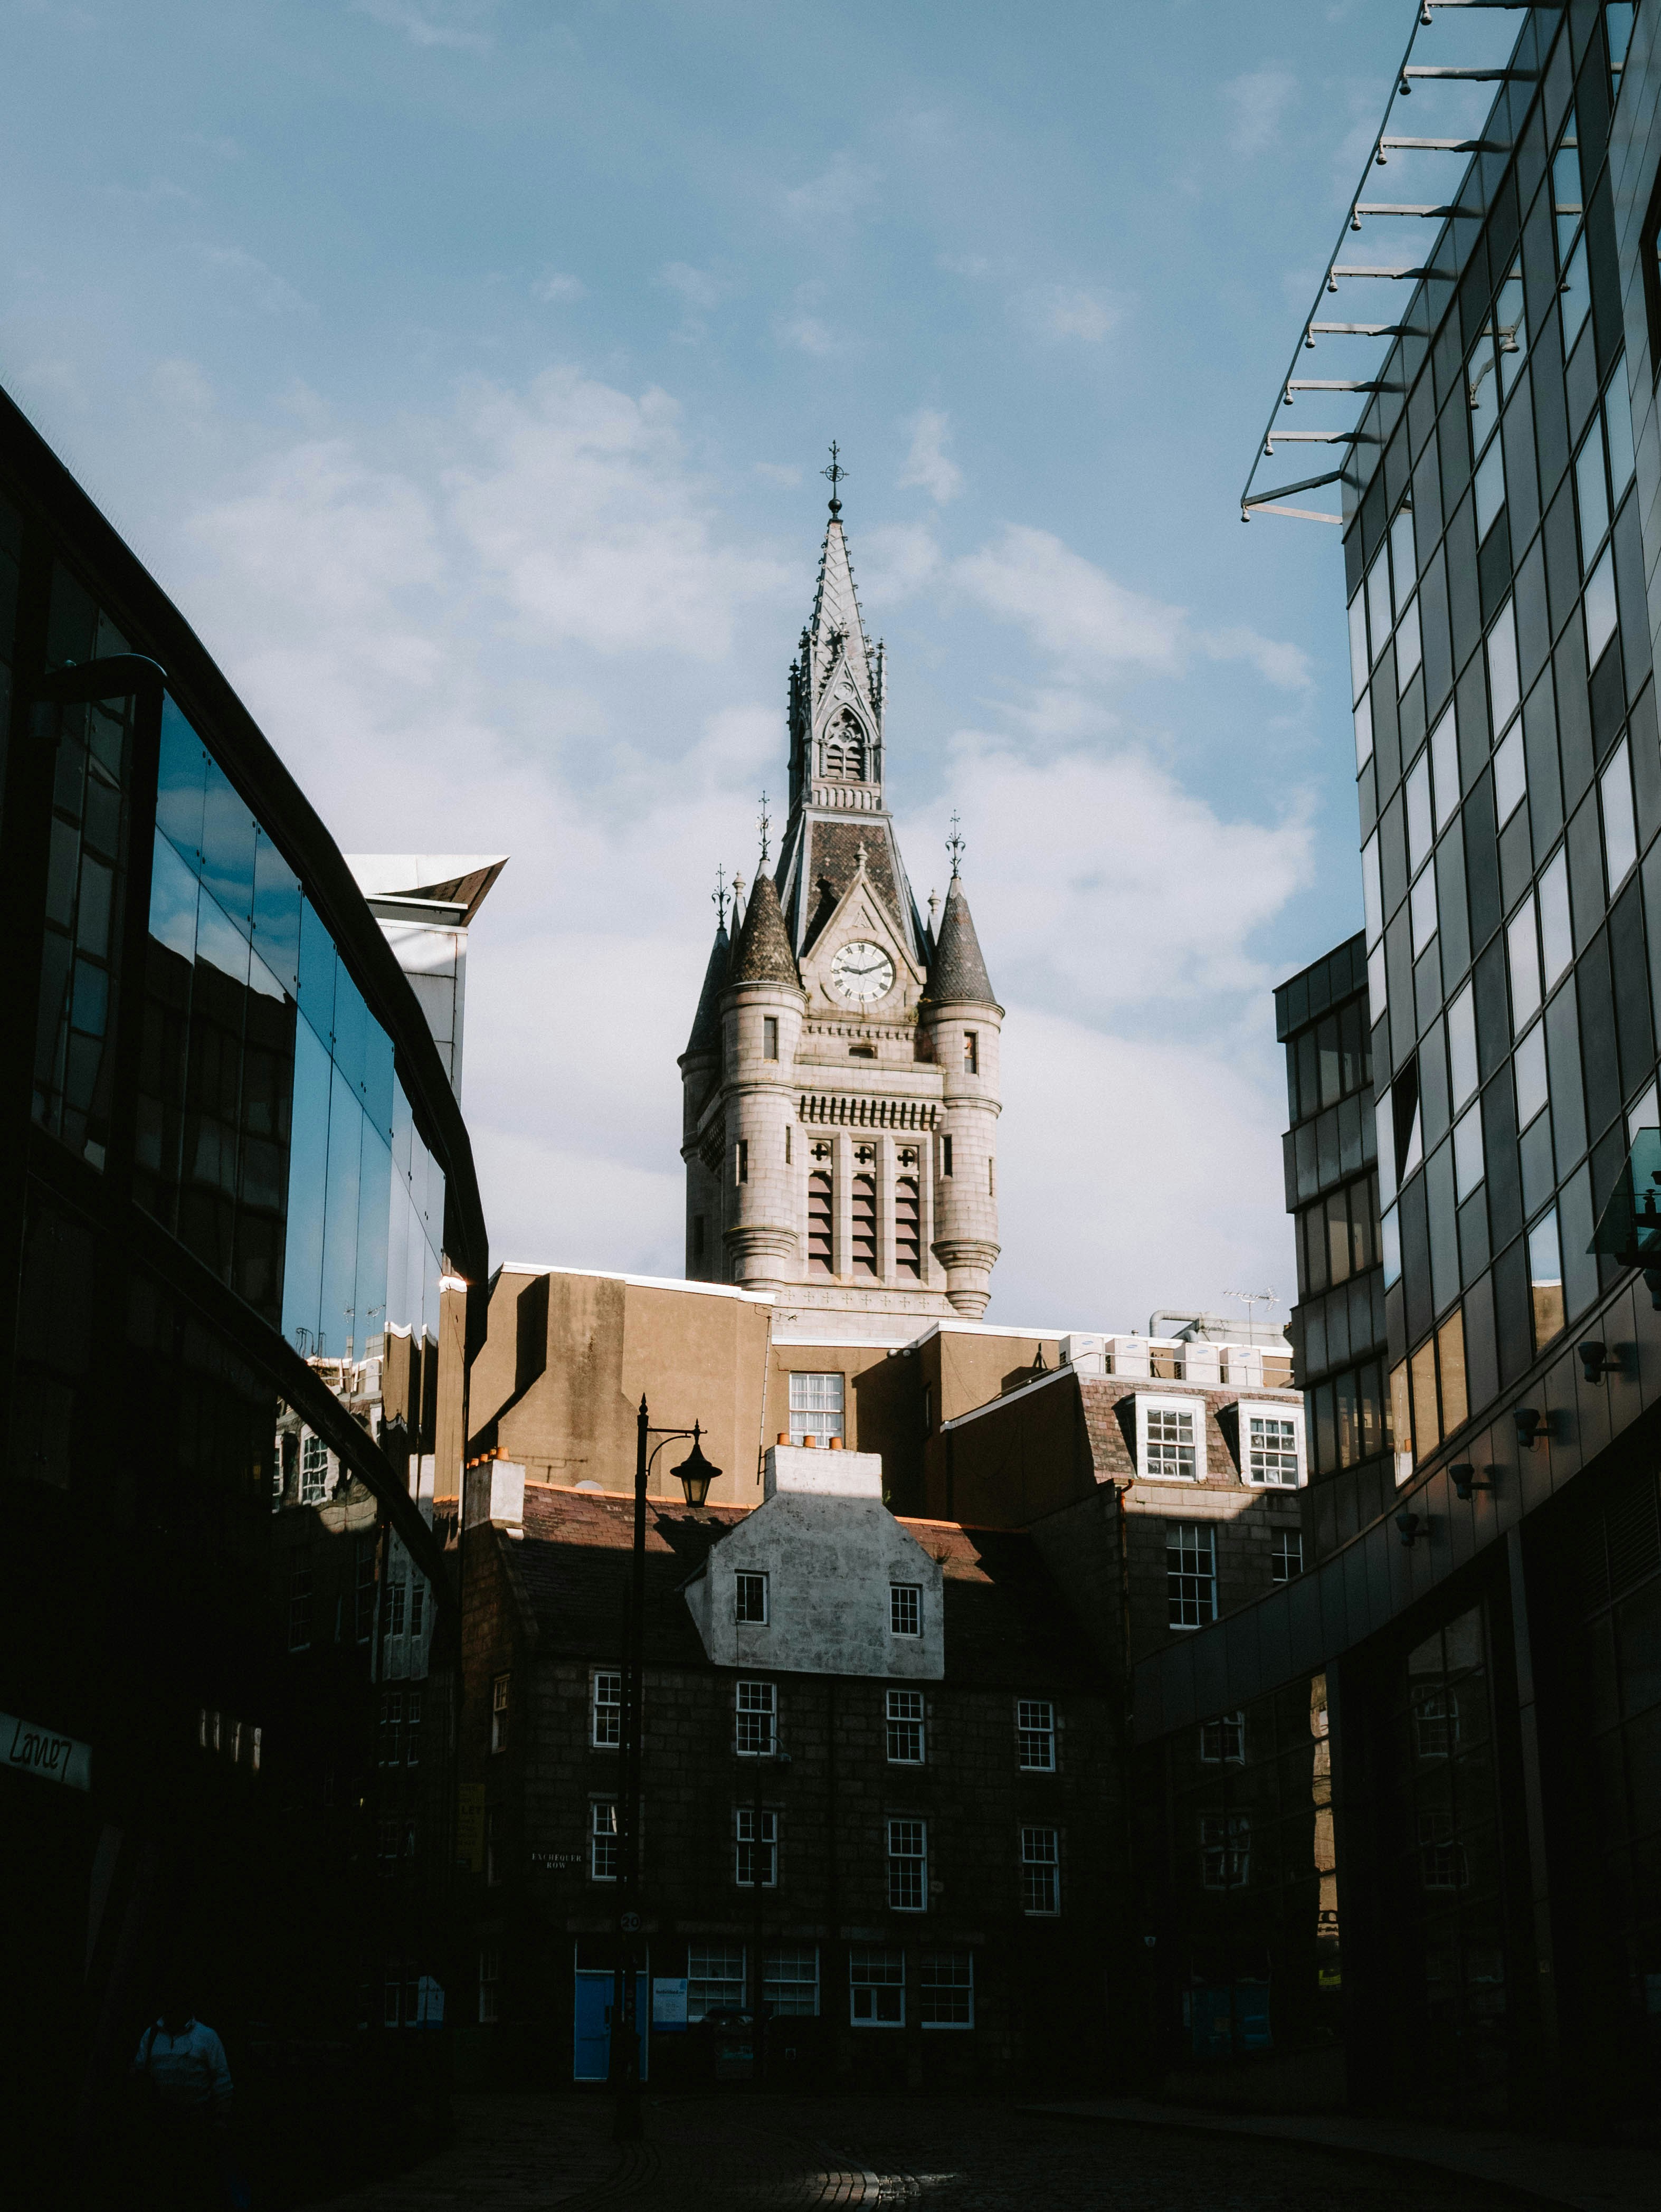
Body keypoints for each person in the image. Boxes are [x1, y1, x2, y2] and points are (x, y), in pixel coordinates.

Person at [131, 1989, 235, 2210]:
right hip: (159, 2125)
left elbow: (222, 2080)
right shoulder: (151, 2035)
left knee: (192, 2183)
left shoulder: (207, 2037)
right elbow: (139, 2072)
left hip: (197, 2124)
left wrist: (221, 2120)